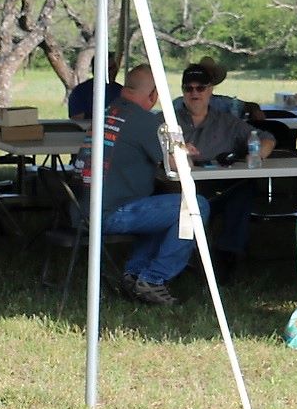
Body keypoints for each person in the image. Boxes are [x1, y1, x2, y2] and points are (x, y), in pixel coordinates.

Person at [79, 64, 209, 305]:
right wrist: (184, 151)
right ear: (153, 95)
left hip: (84, 210)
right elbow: (179, 165)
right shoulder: (143, 121)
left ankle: (135, 275)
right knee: (194, 206)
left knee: (163, 209)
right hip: (111, 213)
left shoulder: (108, 113)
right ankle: (154, 279)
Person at [175, 61, 270, 279]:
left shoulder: (227, 121)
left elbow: (265, 137)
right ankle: (186, 257)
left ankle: (228, 255)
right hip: (181, 188)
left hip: (221, 186)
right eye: (189, 88)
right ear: (182, 92)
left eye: (200, 88)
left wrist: (257, 153)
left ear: (210, 90)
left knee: (244, 190)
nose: (194, 93)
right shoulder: (167, 120)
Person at [66, 55, 123, 124]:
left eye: (115, 68)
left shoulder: (122, 91)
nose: (113, 72)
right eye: (109, 69)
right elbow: (77, 121)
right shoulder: (81, 91)